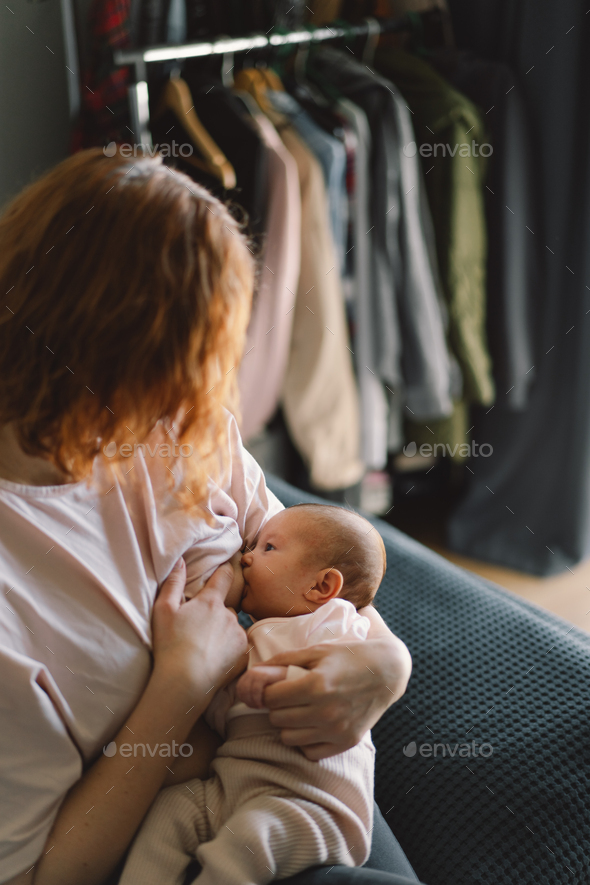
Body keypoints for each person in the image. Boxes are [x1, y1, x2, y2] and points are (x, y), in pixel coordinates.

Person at [0, 149, 418, 885]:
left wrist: (385, 665)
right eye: (179, 371)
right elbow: (46, 873)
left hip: (293, 769)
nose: (200, 409)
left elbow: (312, 561)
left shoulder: (178, 422)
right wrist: (181, 687)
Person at [119, 503, 386, 884]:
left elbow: (346, 663)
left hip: (307, 807)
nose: (246, 557)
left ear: (322, 587)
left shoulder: (332, 622)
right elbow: (223, 714)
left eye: (268, 548)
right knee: (171, 811)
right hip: (232, 790)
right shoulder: (249, 638)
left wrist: (280, 677)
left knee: (246, 841)